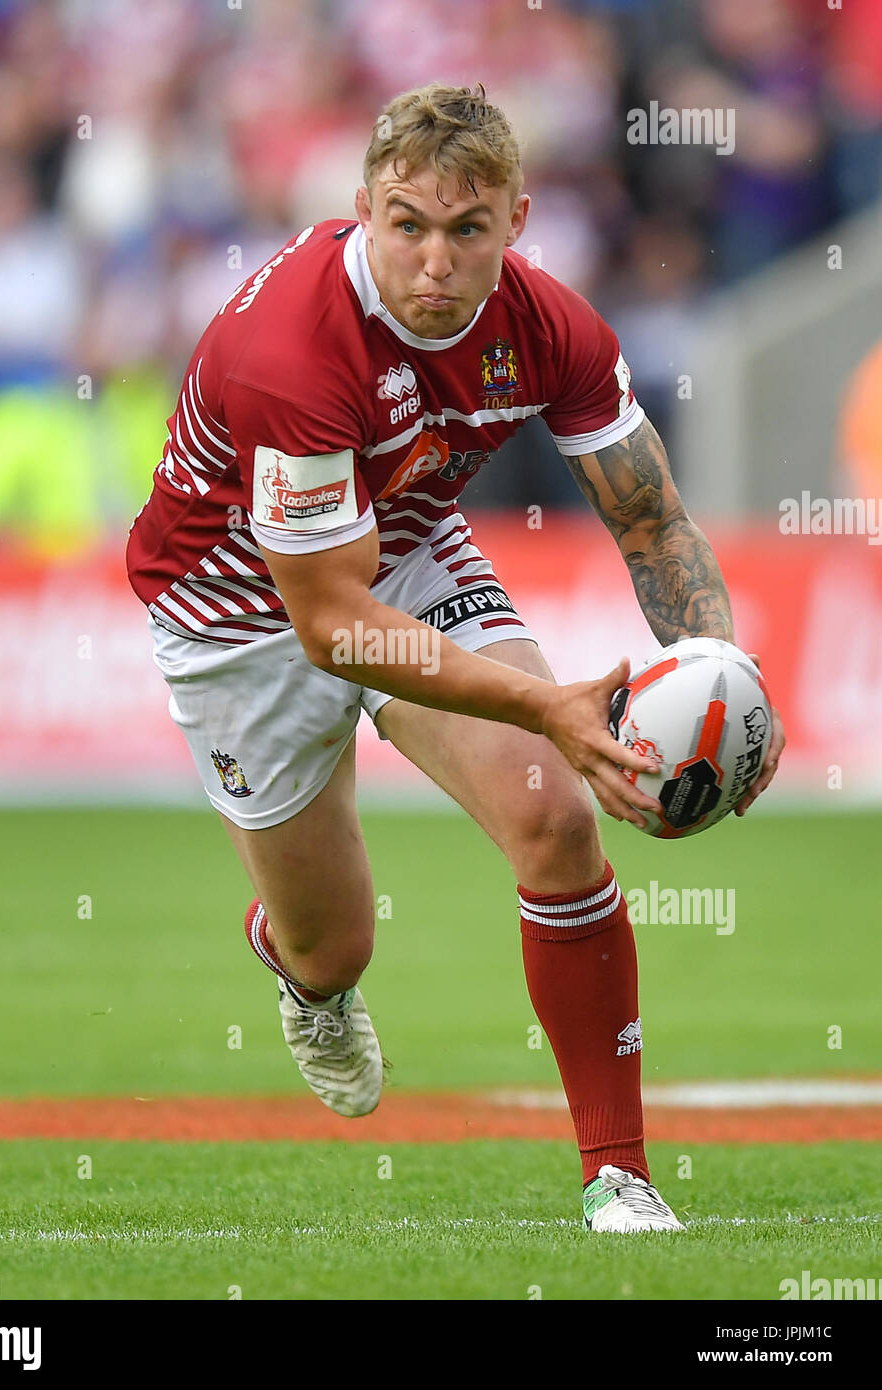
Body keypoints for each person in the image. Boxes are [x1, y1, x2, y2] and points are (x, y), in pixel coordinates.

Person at [127, 84, 784, 1233]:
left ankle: (615, 1176)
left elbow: (651, 523)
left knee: (554, 820)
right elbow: (331, 626)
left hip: (400, 544)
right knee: (334, 946)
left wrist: (723, 687)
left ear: (515, 222)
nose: (433, 262)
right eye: (407, 225)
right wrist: (545, 702)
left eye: (466, 229)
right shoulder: (290, 345)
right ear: (362, 212)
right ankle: (299, 968)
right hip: (236, 614)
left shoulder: (549, 326)